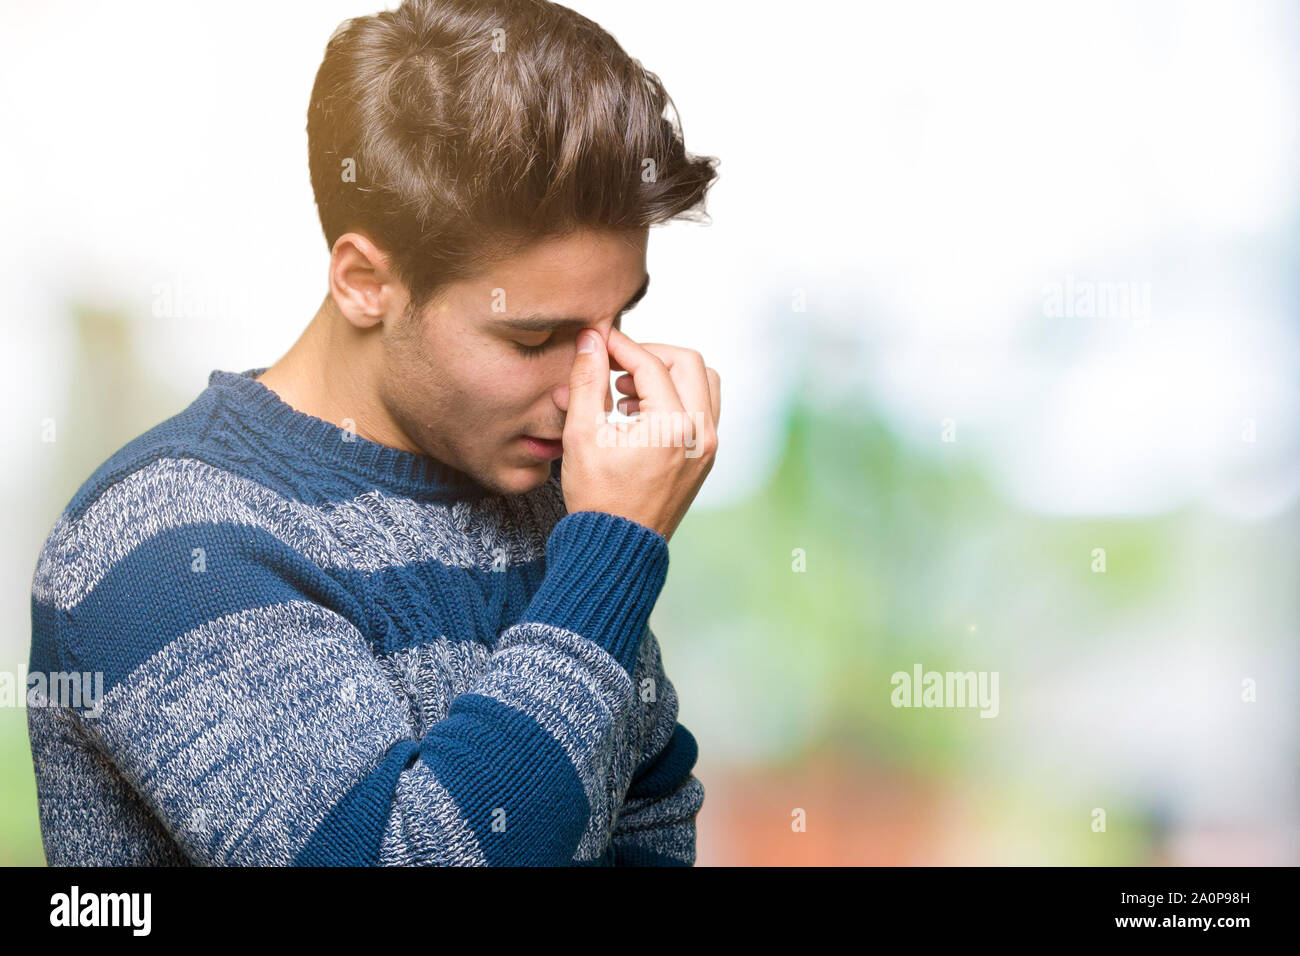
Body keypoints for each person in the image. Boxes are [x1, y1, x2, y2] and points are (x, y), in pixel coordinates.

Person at [26, 0, 720, 866]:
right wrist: (611, 556)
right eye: (534, 338)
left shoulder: (553, 508)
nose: (588, 395)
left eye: (616, 323)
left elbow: (652, 821)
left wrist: (596, 550)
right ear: (363, 282)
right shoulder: (166, 542)